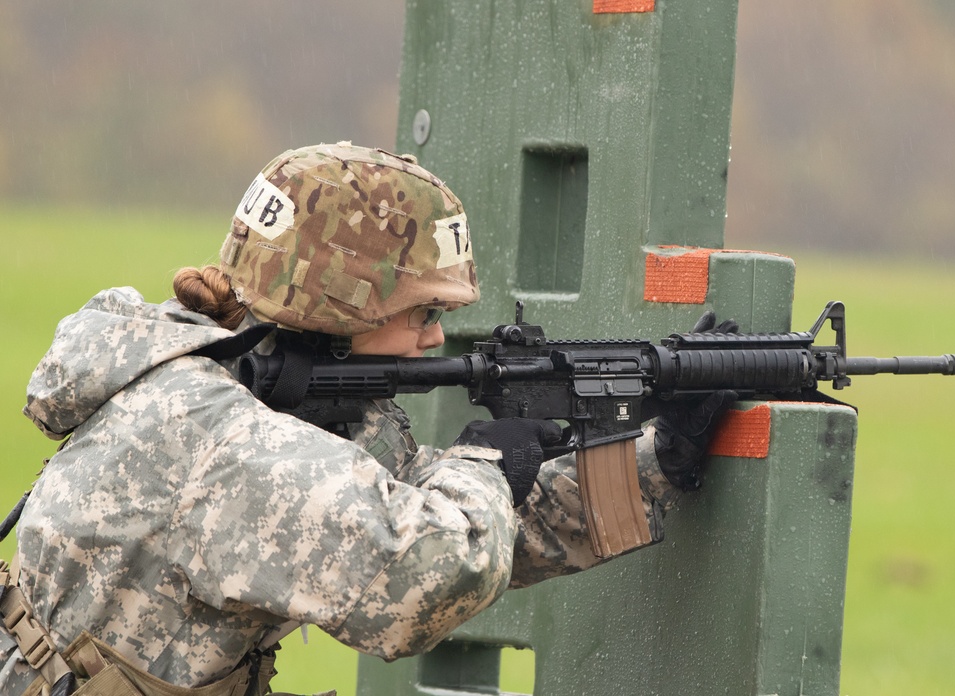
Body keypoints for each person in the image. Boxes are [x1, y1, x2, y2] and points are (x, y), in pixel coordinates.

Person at [0, 143, 735, 695]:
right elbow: (428, 575)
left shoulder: (243, 384)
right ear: (338, 304)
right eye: (422, 310)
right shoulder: (223, 444)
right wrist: (485, 463)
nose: (436, 336)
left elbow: (487, 524)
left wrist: (659, 459)